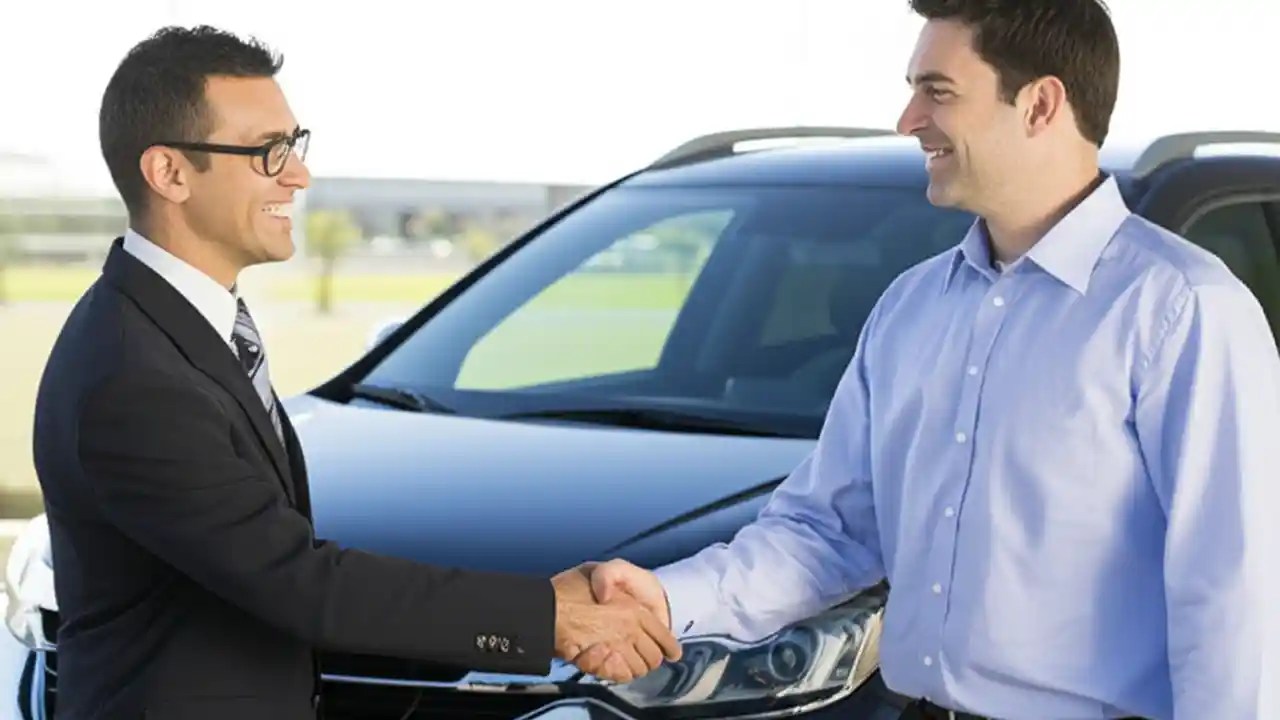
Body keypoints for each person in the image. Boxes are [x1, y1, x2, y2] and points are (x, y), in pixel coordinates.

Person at [576, 1, 1280, 718]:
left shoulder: (1181, 311)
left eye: (937, 92)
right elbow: (830, 532)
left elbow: (1233, 596)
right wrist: (663, 597)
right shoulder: (911, 309)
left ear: (1040, 104)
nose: (908, 120)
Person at [31, 26, 678, 720]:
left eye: (294, 145)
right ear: (170, 173)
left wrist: (548, 601)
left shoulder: (180, 331)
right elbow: (300, 582)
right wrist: (550, 616)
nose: (298, 175)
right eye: (267, 153)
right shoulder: (133, 375)